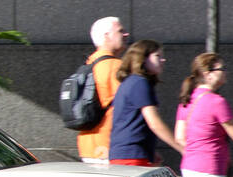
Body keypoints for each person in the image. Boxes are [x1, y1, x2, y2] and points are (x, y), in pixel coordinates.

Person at [108, 39, 183, 167]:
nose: (163, 60)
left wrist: (150, 150)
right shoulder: (140, 83)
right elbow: (154, 123)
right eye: (157, 56)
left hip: (125, 154)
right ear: (142, 59)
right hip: (132, 156)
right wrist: (182, 148)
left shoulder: (129, 82)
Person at [77, 16, 129, 164]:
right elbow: (129, 108)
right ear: (106, 36)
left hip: (88, 146)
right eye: (121, 31)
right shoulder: (116, 66)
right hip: (110, 147)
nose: (126, 34)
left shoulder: (88, 64)